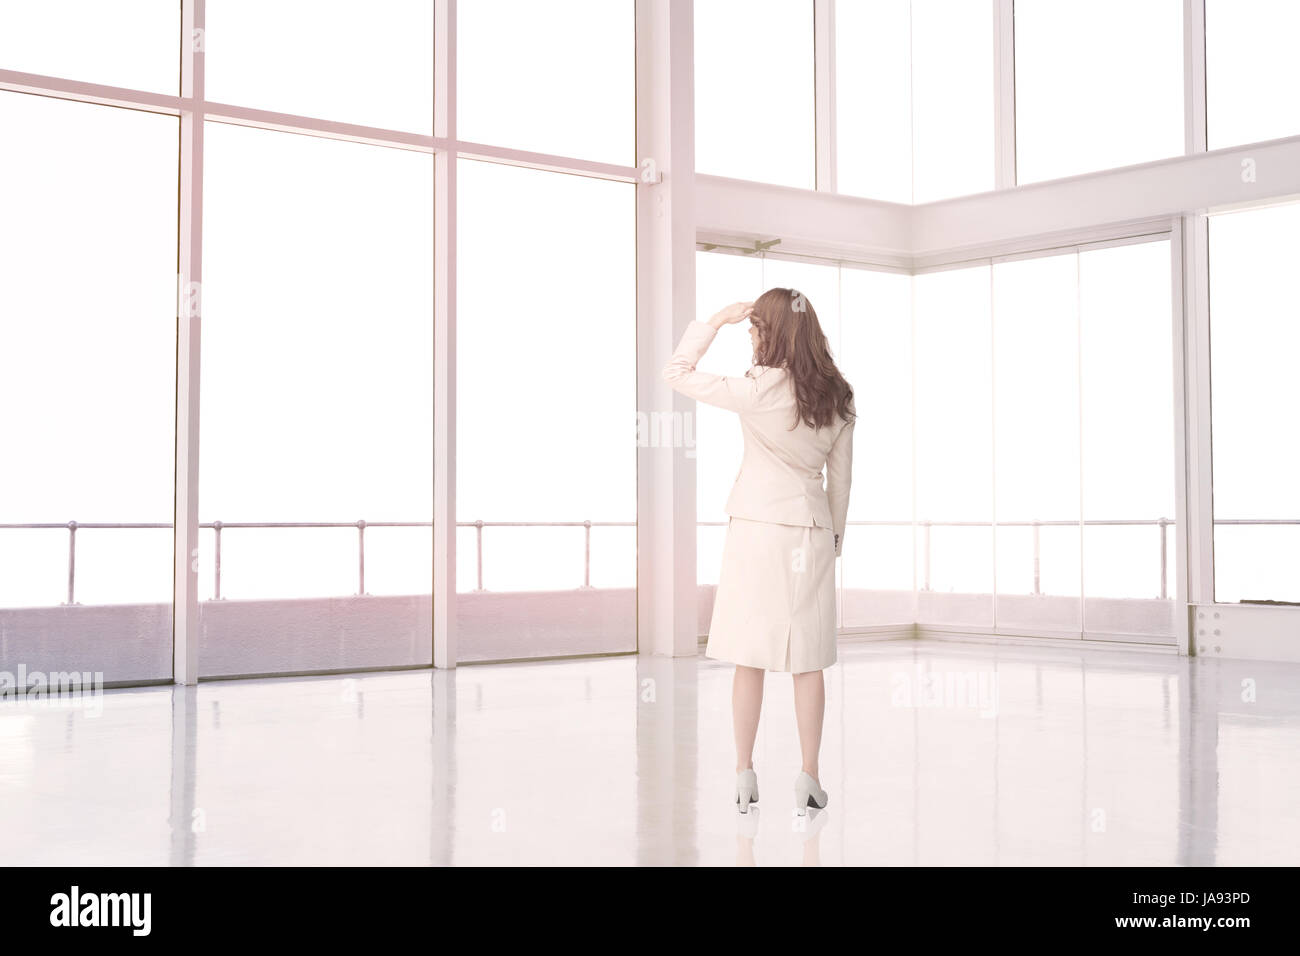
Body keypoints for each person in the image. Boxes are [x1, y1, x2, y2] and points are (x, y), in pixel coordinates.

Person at [662, 287, 856, 815]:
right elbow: (841, 484)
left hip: (754, 528)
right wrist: (833, 539)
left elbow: (676, 372)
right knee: (807, 659)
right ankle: (808, 779)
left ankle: (745, 776)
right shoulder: (839, 395)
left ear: (772, 331)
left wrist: (715, 321)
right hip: (810, 529)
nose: (749, 334)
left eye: (754, 327)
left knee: (749, 655)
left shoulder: (759, 388)